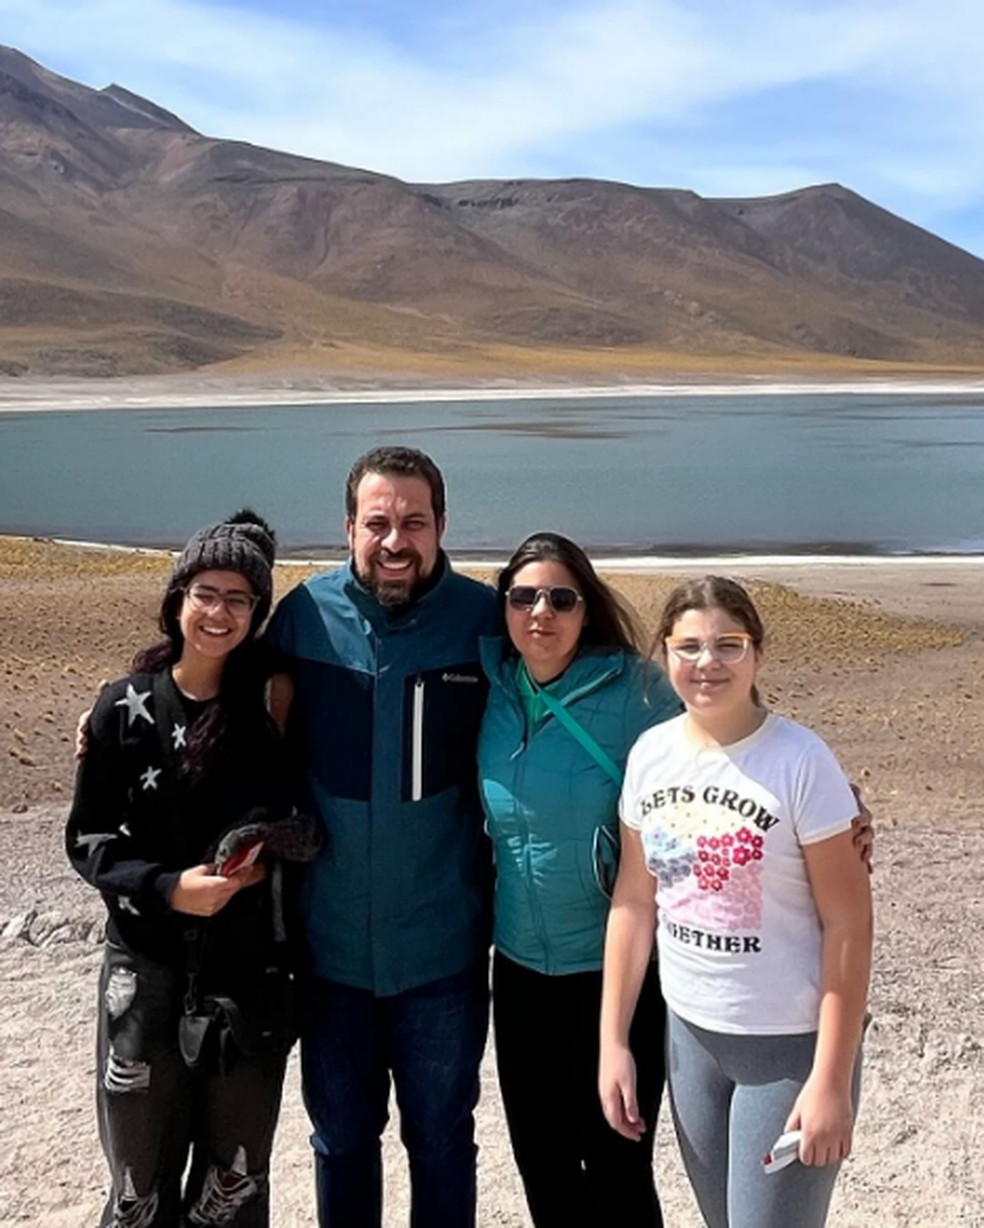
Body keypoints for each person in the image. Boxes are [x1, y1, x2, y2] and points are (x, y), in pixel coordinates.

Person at [265, 446, 499, 1228]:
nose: (395, 541)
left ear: (441, 527)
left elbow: (582, 699)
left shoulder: (484, 623)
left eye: (413, 522)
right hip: (330, 956)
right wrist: (122, 713)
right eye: (377, 523)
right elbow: (219, 704)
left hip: (443, 955)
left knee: (440, 1141)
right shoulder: (302, 618)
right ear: (348, 528)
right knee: (340, 1141)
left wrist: (756, 756)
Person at [66, 511, 318, 1228]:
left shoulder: (273, 707)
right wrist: (170, 887)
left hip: (248, 980)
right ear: (177, 599)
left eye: (240, 599)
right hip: (143, 974)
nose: (220, 612)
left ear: (258, 614)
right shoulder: (122, 707)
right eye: (206, 592)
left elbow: (308, 816)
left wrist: (270, 838)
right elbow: (88, 838)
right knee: (137, 1178)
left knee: (233, 1182)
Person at [600, 576, 873, 1228]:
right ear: (664, 654)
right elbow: (636, 903)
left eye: (729, 644)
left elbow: (849, 923)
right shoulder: (651, 757)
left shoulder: (801, 762)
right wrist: (613, 1041)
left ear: (757, 654)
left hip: (788, 1050)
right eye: (688, 646)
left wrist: (831, 1079)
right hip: (691, 1038)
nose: (707, 663)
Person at [478, 532, 681, 1227]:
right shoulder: (491, 688)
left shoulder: (637, 691)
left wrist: (837, 807)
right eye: (524, 597)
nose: (542, 612)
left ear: (586, 608)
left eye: (560, 598)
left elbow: (728, 737)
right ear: (505, 608)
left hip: (615, 972)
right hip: (521, 971)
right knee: (545, 1169)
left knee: (619, 1171)